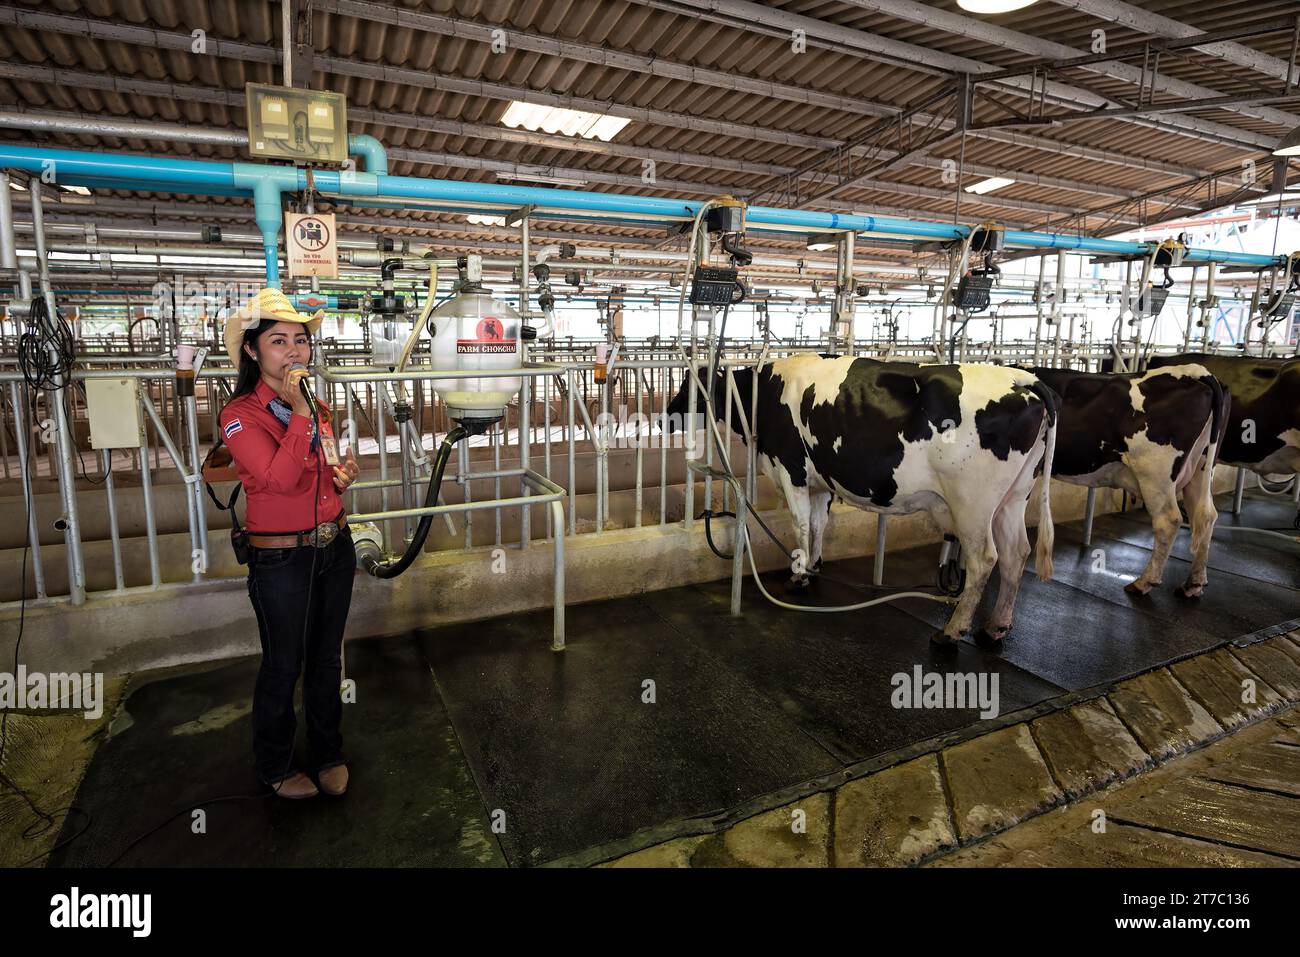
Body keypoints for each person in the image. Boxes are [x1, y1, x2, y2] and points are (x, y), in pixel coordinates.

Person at [217, 288, 361, 800]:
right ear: (253, 352)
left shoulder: (313, 405)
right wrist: (300, 410)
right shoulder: (239, 415)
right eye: (279, 341)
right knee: (284, 663)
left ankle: (328, 751)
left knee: (326, 658)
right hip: (281, 557)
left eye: (300, 339)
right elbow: (276, 480)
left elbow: (312, 469)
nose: (295, 351)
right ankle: (275, 764)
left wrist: (338, 478)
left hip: (333, 545)